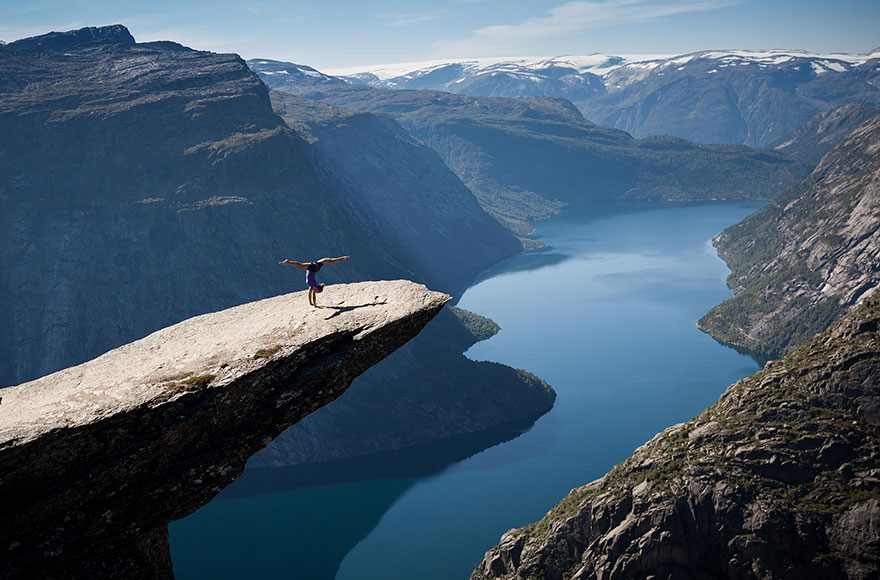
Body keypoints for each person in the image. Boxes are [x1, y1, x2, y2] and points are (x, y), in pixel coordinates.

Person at [279, 256, 350, 307]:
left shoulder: (312, 286)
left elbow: (310, 295)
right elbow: (313, 296)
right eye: (317, 291)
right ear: (317, 289)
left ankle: (341, 259)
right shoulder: (314, 285)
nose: (315, 292)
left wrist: (311, 303)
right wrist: (314, 304)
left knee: (328, 260)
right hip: (313, 268)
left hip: (316, 265)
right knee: (300, 265)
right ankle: (288, 262)